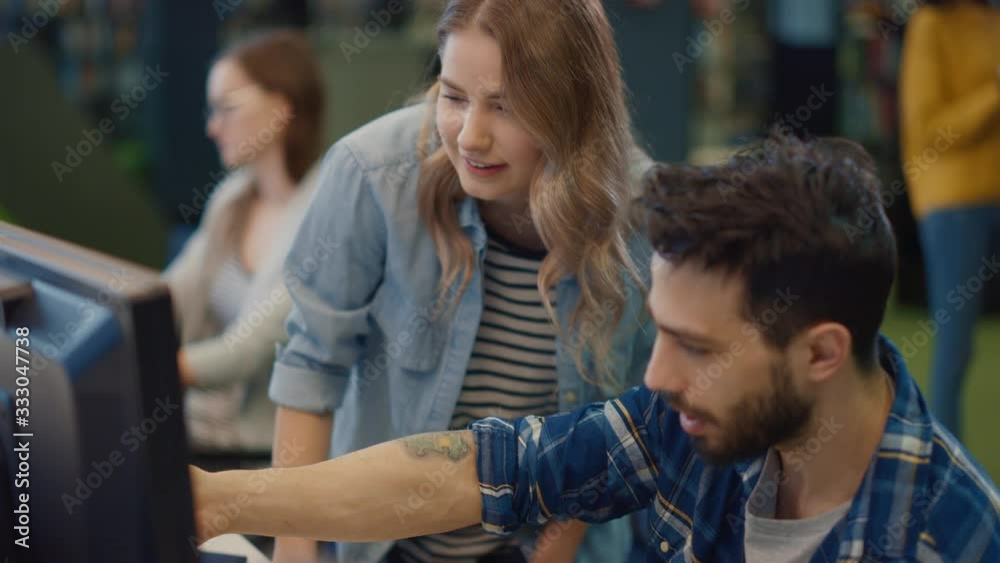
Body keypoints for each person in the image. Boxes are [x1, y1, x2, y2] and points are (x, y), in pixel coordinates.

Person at [192, 132, 1000, 562]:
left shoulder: (949, 538)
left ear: (822, 352)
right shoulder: (699, 423)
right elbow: (480, 467)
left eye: (694, 345)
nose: (656, 374)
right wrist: (221, 502)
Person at [264, 1, 656, 562]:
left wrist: (556, 548)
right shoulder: (372, 173)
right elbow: (311, 367)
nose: (470, 136)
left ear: (575, 109)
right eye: (453, 96)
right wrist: (293, 546)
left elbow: (626, 422)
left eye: (507, 106)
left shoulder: (639, 212)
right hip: (386, 546)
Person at [165, 30, 324, 456]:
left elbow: (246, 352)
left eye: (227, 108)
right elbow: (169, 293)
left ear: (282, 107)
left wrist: (146, 366)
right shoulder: (232, 198)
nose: (212, 127)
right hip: (196, 429)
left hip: (255, 455)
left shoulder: (323, 219)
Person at [899, 0, 1000, 438]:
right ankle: (939, 479)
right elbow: (928, 129)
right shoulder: (930, 24)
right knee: (955, 349)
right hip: (953, 201)